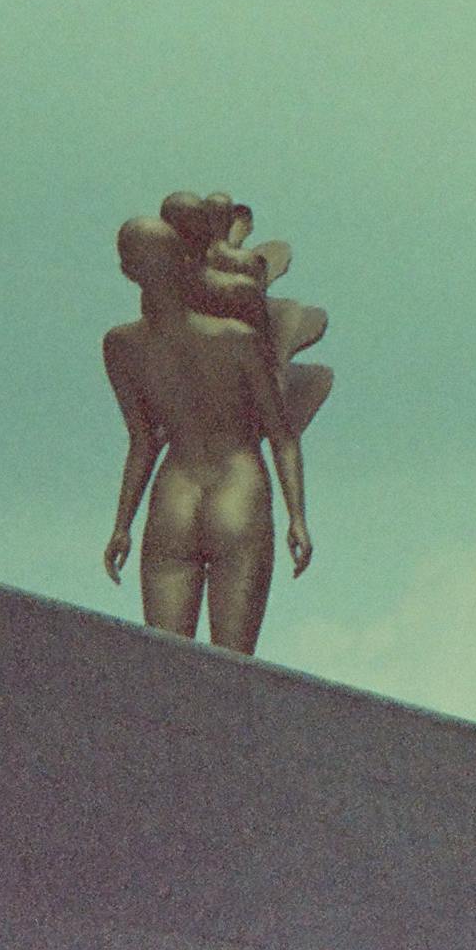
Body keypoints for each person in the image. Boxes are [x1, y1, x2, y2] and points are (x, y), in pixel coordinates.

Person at [100, 197, 325, 654]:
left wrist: (122, 524)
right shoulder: (234, 340)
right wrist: (297, 517)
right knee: (229, 669)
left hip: (174, 491)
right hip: (237, 486)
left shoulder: (122, 346)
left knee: (170, 666)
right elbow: (281, 435)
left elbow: (143, 441)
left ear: (128, 271)